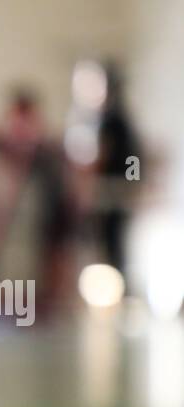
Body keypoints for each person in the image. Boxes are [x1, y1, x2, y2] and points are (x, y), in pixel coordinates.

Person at [0, 88, 77, 319]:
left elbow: (64, 207)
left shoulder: (49, 158)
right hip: (4, 235)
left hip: (43, 234)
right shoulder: (0, 149)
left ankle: (44, 308)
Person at [92, 63, 141, 280]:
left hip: (114, 186)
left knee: (112, 236)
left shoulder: (113, 119)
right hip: (121, 184)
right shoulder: (123, 118)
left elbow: (112, 152)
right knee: (116, 236)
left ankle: (115, 280)